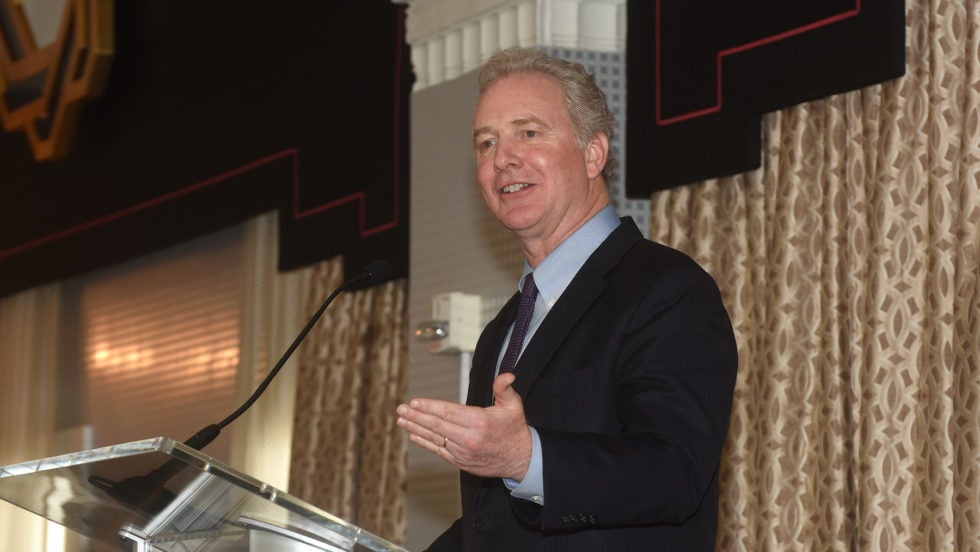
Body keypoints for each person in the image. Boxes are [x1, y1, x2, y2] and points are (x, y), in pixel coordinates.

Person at [396, 47, 738, 551]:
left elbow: (674, 471)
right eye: (486, 142)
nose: (502, 158)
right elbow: (495, 524)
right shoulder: (500, 333)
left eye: (529, 133)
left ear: (594, 153)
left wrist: (525, 458)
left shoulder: (666, 289)